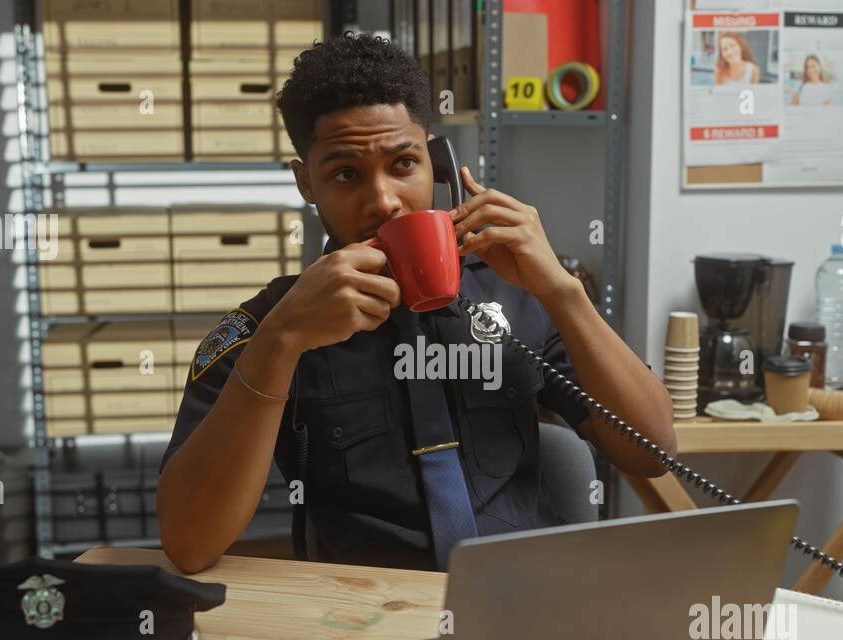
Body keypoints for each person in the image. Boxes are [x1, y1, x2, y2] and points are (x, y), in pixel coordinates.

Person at [156, 33, 676, 575]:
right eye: (346, 174)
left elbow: (652, 453)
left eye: (403, 163)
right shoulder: (272, 324)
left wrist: (562, 291)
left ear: (437, 162)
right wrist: (280, 343)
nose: (383, 199)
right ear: (305, 182)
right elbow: (189, 544)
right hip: (360, 615)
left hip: (520, 604)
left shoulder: (517, 292)